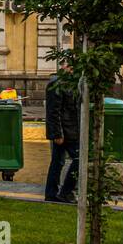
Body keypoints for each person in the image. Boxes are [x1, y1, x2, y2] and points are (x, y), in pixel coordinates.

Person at [44, 66, 81, 203]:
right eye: (70, 66)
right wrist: (57, 134)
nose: (72, 69)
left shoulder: (72, 83)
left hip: (70, 129)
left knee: (58, 162)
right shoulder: (57, 84)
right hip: (65, 131)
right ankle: (64, 192)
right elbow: (53, 111)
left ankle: (52, 193)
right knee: (79, 159)